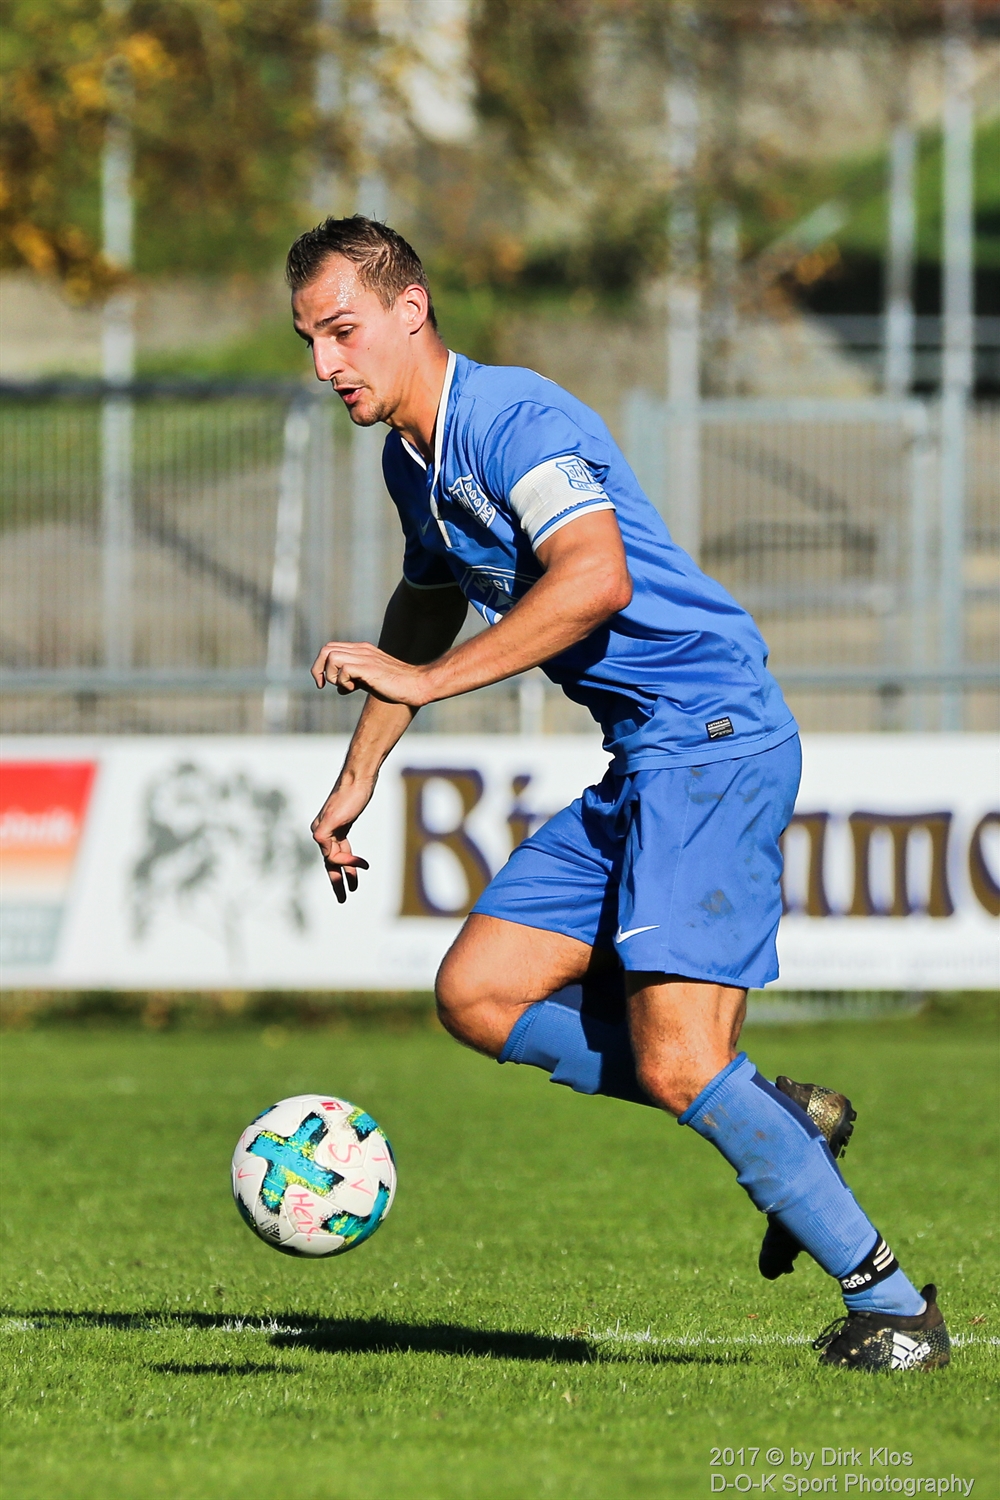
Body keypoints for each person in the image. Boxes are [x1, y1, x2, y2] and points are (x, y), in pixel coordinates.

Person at [288, 215, 949, 1373]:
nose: (324, 365)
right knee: (480, 992)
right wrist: (355, 776)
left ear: (411, 309)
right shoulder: (413, 462)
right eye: (308, 341)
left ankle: (893, 1309)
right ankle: (772, 1123)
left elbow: (595, 578)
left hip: (711, 737)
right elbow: (425, 605)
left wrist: (429, 684)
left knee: (681, 1059)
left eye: (342, 332)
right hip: (643, 755)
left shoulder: (515, 421)